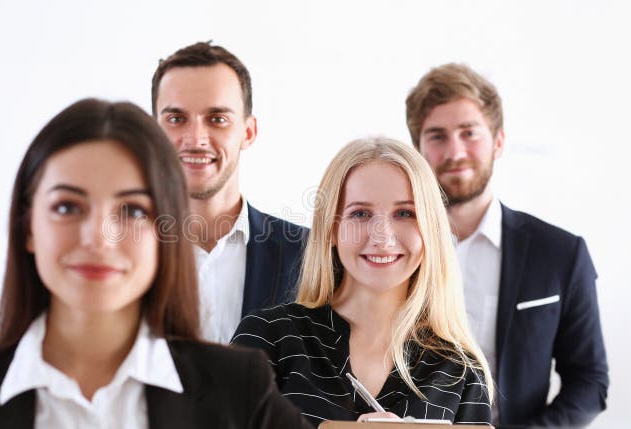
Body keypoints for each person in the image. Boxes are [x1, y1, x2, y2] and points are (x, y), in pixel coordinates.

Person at [0, 99, 312, 429]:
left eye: (132, 211)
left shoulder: (241, 391)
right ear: (29, 227)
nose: (97, 237)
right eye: (68, 206)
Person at [232, 137, 493, 427]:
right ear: (331, 229)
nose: (382, 236)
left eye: (405, 213)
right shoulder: (267, 338)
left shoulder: (461, 371)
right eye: (360, 214)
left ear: (430, 229)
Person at [405, 63, 608, 427]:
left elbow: (589, 381)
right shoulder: (387, 249)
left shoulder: (561, 253)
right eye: (437, 136)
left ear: (498, 141)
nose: (455, 151)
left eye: (469, 133)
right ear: (417, 150)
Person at [151, 42, 308, 343]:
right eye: (176, 119)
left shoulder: (309, 255)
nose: (196, 139)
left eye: (217, 119)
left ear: (248, 132)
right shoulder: (121, 251)